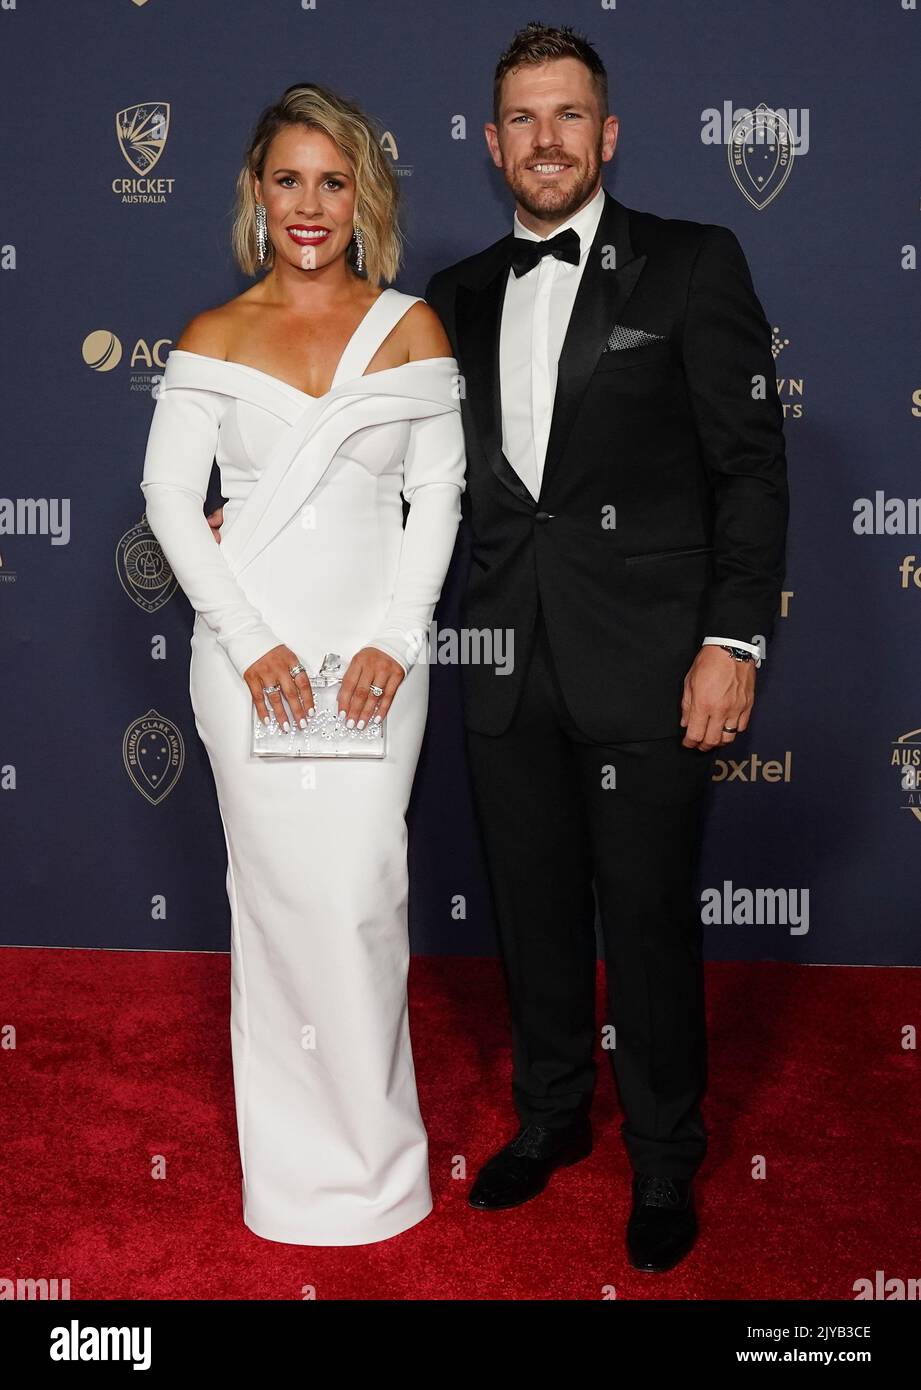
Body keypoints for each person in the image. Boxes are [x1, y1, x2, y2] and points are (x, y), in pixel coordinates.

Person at [423, 24, 788, 1273]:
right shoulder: (454, 296)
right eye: (523, 119)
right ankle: (551, 1118)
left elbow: (749, 469)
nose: (546, 141)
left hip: (651, 659)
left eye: (569, 116)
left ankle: (668, 1160)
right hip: (502, 658)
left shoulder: (692, 264)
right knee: (531, 917)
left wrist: (731, 639)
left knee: (645, 922)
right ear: (490, 142)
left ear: (609, 133)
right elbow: (407, 485)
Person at [140, 82, 466, 1246]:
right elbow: (173, 504)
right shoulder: (213, 336)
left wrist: (392, 637)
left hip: (380, 657)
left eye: (334, 180)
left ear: (363, 193)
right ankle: (291, 1184)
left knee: (362, 897)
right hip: (249, 658)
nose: (311, 205)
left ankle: (381, 1168)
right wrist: (252, 641)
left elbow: (438, 498)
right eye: (289, 180)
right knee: (278, 905)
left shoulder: (413, 327)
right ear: (257, 193)